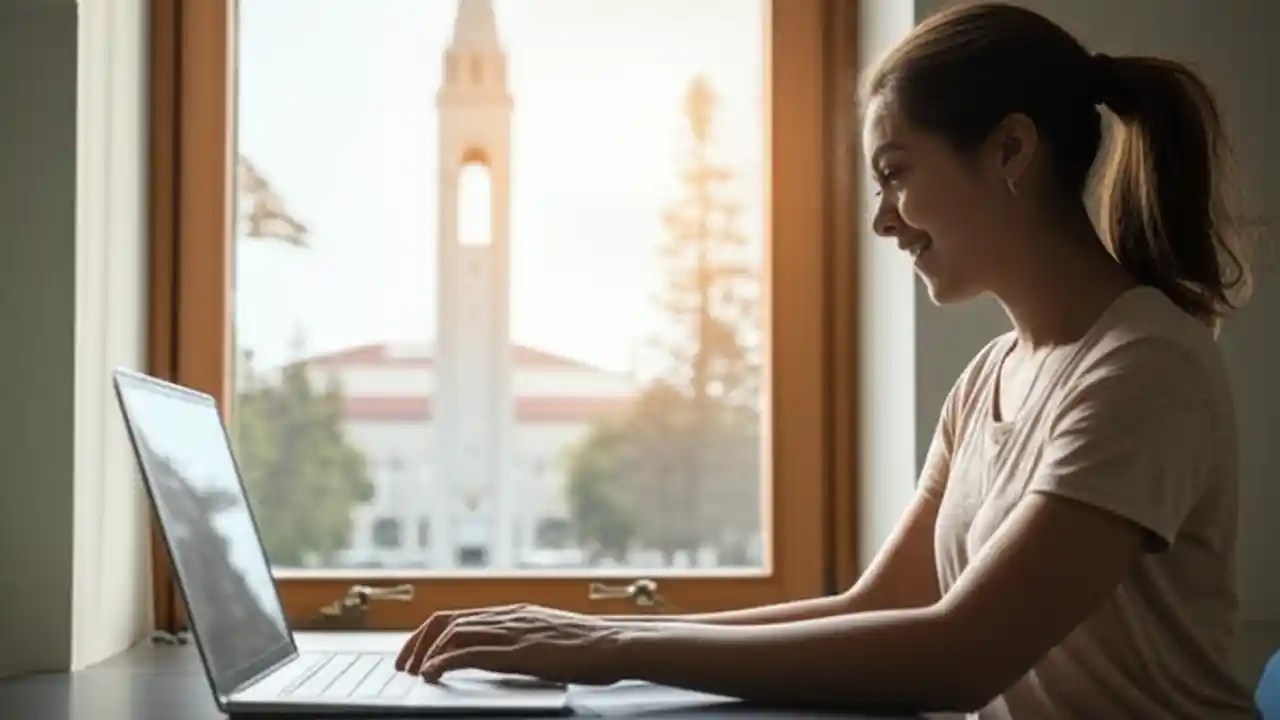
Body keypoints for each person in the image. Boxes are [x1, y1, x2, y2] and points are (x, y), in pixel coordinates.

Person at [395, 3, 1257, 716]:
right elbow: (880, 607)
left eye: (896, 173)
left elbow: (957, 656)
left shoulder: (1143, 368)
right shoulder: (987, 379)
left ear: (1009, 151)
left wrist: (612, 647)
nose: (883, 219)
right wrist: (597, 638)